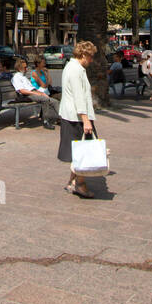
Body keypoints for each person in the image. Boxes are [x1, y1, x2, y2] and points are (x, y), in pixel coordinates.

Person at [57, 40, 102, 199]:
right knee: (82, 153)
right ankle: (80, 184)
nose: (91, 60)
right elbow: (78, 96)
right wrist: (86, 120)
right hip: (75, 117)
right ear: (83, 54)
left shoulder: (74, 68)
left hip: (73, 115)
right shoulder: (75, 70)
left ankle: (72, 182)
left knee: (79, 152)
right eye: (90, 57)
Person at [12, 57, 59, 129]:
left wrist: (40, 93)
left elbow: (32, 88)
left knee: (55, 101)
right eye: (24, 67)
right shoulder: (16, 77)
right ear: (19, 68)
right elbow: (22, 91)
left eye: (26, 67)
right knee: (45, 99)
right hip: (26, 95)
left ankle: (62, 119)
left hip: (33, 93)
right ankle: (46, 121)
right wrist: (37, 94)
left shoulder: (23, 77)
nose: (26, 69)